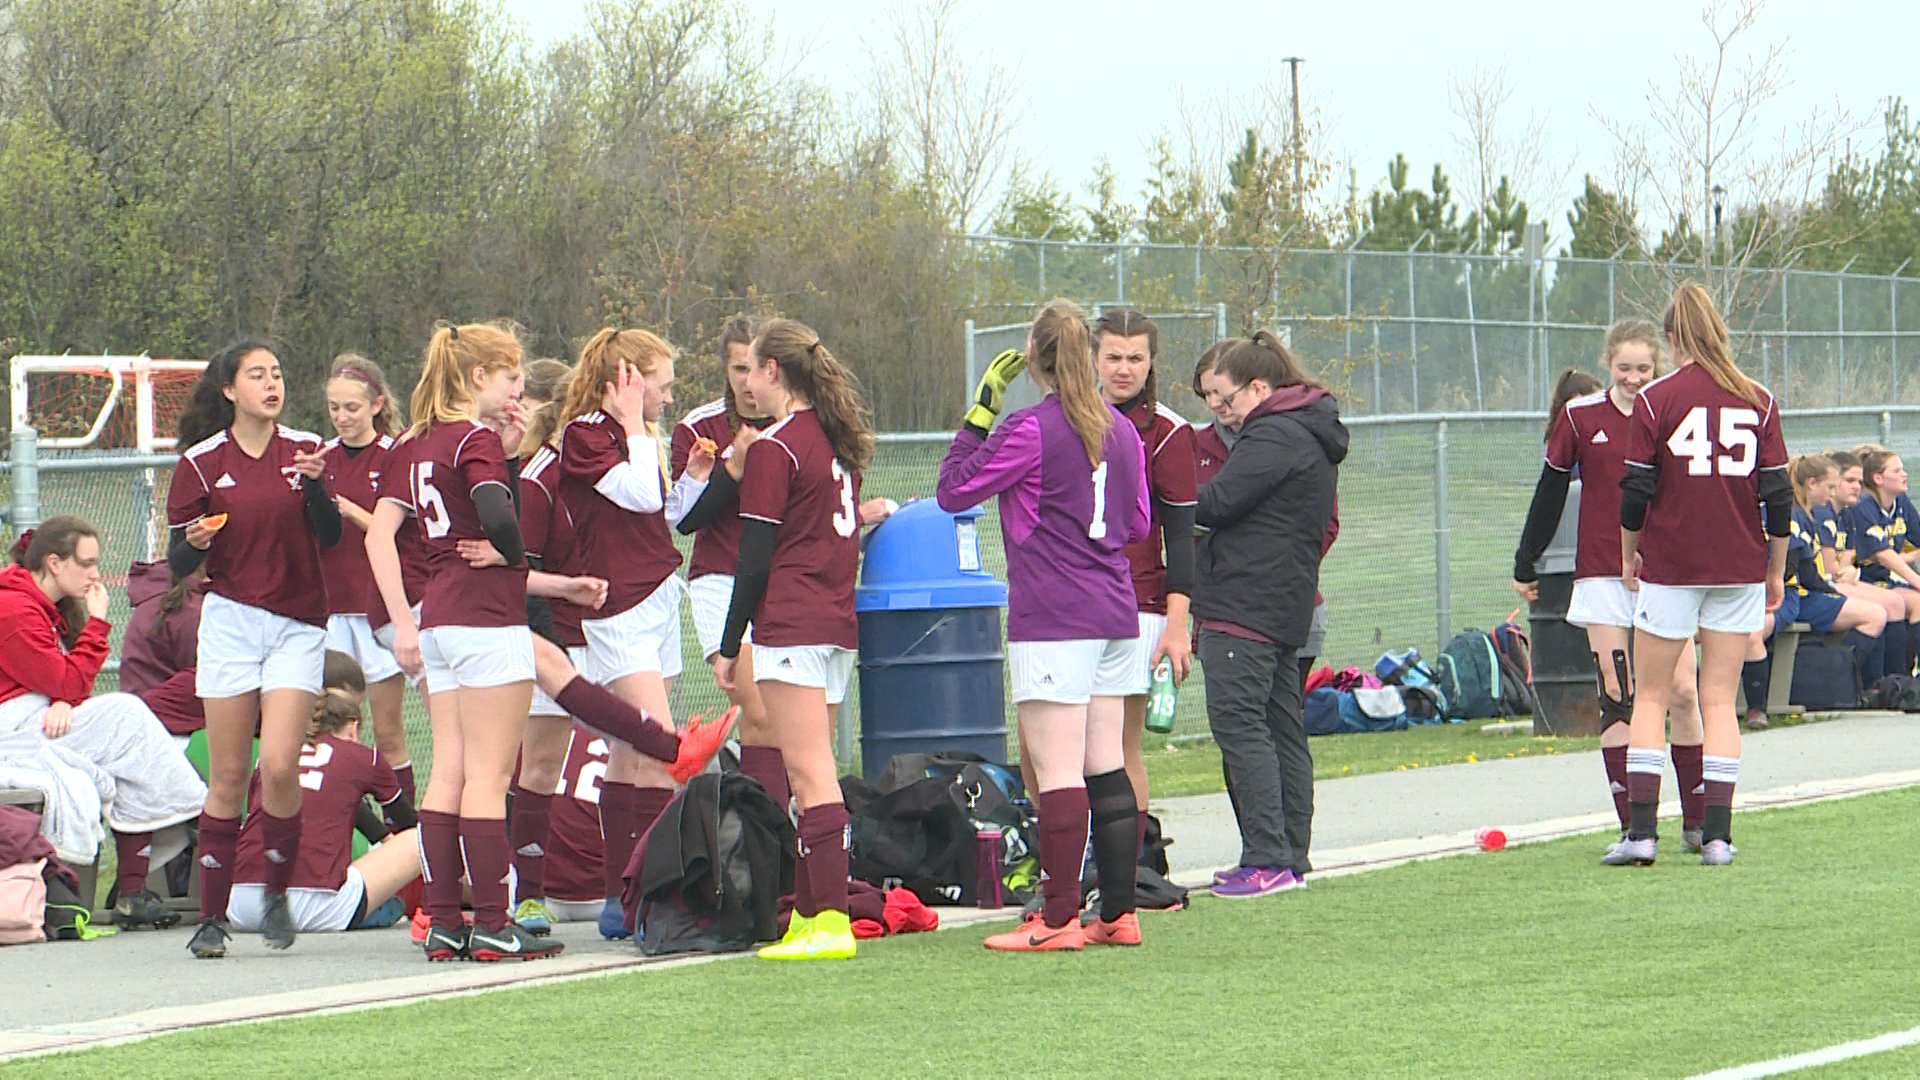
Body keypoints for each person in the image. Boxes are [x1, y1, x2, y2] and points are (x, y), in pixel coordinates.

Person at [938, 299, 1150, 953]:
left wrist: (981, 411)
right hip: (1115, 610)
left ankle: (1058, 918)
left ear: (1032, 357)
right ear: (1087, 356)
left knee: (1058, 770)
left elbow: (954, 492)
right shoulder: (1121, 429)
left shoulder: (1030, 428)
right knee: (1105, 762)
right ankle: (1117, 911)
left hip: (1056, 615)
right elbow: (1138, 525)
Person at [365, 320, 562, 962]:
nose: (514, 391)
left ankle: (445, 919)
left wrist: (400, 620)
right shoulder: (471, 436)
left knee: (446, 768)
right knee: (488, 774)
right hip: (485, 617)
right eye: (509, 378)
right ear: (478, 377)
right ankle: (495, 922)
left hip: (437, 616)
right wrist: (512, 557)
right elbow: (501, 516)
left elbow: (378, 536)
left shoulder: (414, 441)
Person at [708, 319, 888, 962]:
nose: (746, 383)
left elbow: (753, 557)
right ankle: (811, 915)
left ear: (774, 372)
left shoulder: (774, 449)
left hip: (791, 622)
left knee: (809, 777)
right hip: (836, 622)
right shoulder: (835, 442)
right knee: (813, 772)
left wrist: (731, 643)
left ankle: (832, 923)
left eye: (752, 370)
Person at [167, 341, 344, 958]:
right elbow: (179, 560)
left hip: (297, 622)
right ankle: (211, 919)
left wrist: (320, 491)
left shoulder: (304, 450)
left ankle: (275, 895)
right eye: (257, 375)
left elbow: (331, 535)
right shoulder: (200, 463)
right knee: (230, 774)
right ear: (229, 390)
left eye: (277, 373)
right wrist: (192, 542)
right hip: (233, 621)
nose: (272, 384)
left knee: (279, 767)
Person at [1511, 326, 1709, 859]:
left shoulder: (1671, 411)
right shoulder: (1581, 417)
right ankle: (1635, 826)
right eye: (1624, 368)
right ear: (1609, 363)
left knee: (1682, 691)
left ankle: (1699, 819)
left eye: (1644, 368)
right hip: (1601, 571)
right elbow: (1550, 488)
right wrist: (1524, 559)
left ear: (1658, 367)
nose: (1634, 378)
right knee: (1617, 695)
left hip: (1663, 572)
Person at [1617, 283, 1790, 867]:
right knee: (1719, 701)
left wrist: (1627, 553)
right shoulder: (1758, 399)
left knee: (1652, 697)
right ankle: (1717, 836)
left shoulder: (1654, 400)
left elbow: (1635, 489)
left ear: (1671, 340)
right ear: (1721, 332)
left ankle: (1641, 833)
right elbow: (1780, 499)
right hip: (1739, 565)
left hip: (1672, 565)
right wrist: (1775, 572)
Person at [1193, 330, 1346, 899]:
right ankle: (1287, 854)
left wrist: (1157, 492)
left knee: (1243, 728)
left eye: (1227, 398)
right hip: (1282, 605)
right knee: (1281, 729)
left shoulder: (1273, 433)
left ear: (1260, 387)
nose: (1221, 411)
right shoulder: (1305, 430)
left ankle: (1266, 857)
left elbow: (1215, 502)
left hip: (1245, 605)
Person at [0, 517, 208, 929]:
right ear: (55, 563)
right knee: (126, 716)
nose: (97, 573)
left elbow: (59, 681)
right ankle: (195, 820)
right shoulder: (14, 610)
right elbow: (67, 678)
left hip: (35, 719)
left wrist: (61, 697)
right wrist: (96, 624)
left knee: (125, 733)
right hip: (11, 731)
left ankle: (133, 890)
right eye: (87, 562)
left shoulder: (39, 605)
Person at [556, 327, 694, 940]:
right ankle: (655, 896)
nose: (667, 395)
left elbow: (658, 509)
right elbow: (638, 495)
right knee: (664, 748)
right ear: (629, 381)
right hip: (622, 609)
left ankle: (622, 898)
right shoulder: (586, 434)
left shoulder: (639, 436)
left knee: (630, 753)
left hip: (658, 595)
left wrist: (683, 472)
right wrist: (638, 424)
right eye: (659, 384)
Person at [1092, 308, 1196, 857]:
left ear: (1152, 362)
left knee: (1117, 744)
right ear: (1094, 359)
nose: (1124, 369)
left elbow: (1182, 538)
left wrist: (1176, 626)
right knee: (1055, 749)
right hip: (1072, 603)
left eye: (1135, 358)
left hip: (1138, 604)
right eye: (1113, 356)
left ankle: (1127, 870)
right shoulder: (1070, 418)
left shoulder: (1169, 433)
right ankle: (1068, 864)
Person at [228, 651, 420, 935]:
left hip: (240, 906)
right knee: (423, 837)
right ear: (353, 728)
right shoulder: (362, 756)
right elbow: (408, 823)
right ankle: (444, 905)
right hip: (314, 906)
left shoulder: (271, 756)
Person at [672, 317, 783, 804]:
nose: (748, 379)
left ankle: (789, 826)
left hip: (782, 582)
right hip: (720, 578)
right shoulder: (698, 428)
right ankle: (769, 830)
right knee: (756, 708)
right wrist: (732, 468)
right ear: (726, 366)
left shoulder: (794, 423)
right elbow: (686, 520)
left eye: (756, 367)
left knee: (788, 715)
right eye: (739, 367)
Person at [319, 353, 414, 804]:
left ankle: (405, 828)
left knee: (388, 731)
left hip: (377, 611)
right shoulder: (322, 457)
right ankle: (340, 815)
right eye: (334, 408)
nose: (342, 417)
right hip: (332, 612)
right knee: (332, 727)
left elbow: (394, 531)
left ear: (376, 405)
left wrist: (351, 511)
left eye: (351, 408)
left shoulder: (395, 456)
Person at [1740, 456, 1886, 721]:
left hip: (1791, 595)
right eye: (1830, 487)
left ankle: (1834, 680)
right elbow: (1797, 570)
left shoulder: (1807, 514)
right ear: (1811, 484)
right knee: (1744, 634)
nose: (1832, 493)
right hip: (1782, 594)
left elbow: (1803, 571)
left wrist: (1833, 589)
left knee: (1877, 612)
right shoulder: (1790, 513)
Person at [1821, 449, 1908, 676]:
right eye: (1849, 481)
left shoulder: (1848, 515)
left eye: (1859, 481)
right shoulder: (1822, 515)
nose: (1857, 487)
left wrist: (1850, 571)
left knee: (1895, 603)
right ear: (1831, 482)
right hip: (1818, 586)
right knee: (1877, 610)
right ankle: (1862, 683)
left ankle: (1895, 680)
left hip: (1840, 580)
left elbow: (1847, 563)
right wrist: (1848, 573)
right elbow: (1828, 569)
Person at [1844, 444, 1920, 679]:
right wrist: (1916, 579)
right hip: (1863, 579)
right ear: (1878, 478)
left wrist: (1909, 557)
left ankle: (1908, 677)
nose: (1904, 475)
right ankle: (1894, 679)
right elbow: (1881, 554)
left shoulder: (1900, 503)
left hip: (1886, 580)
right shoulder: (1864, 505)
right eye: (1897, 471)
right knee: (1900, 601)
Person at [120, 560, 208, 737]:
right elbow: (205, 684)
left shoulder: (163, 591)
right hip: (161, 729)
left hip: (144, 719)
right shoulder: (188, 608)